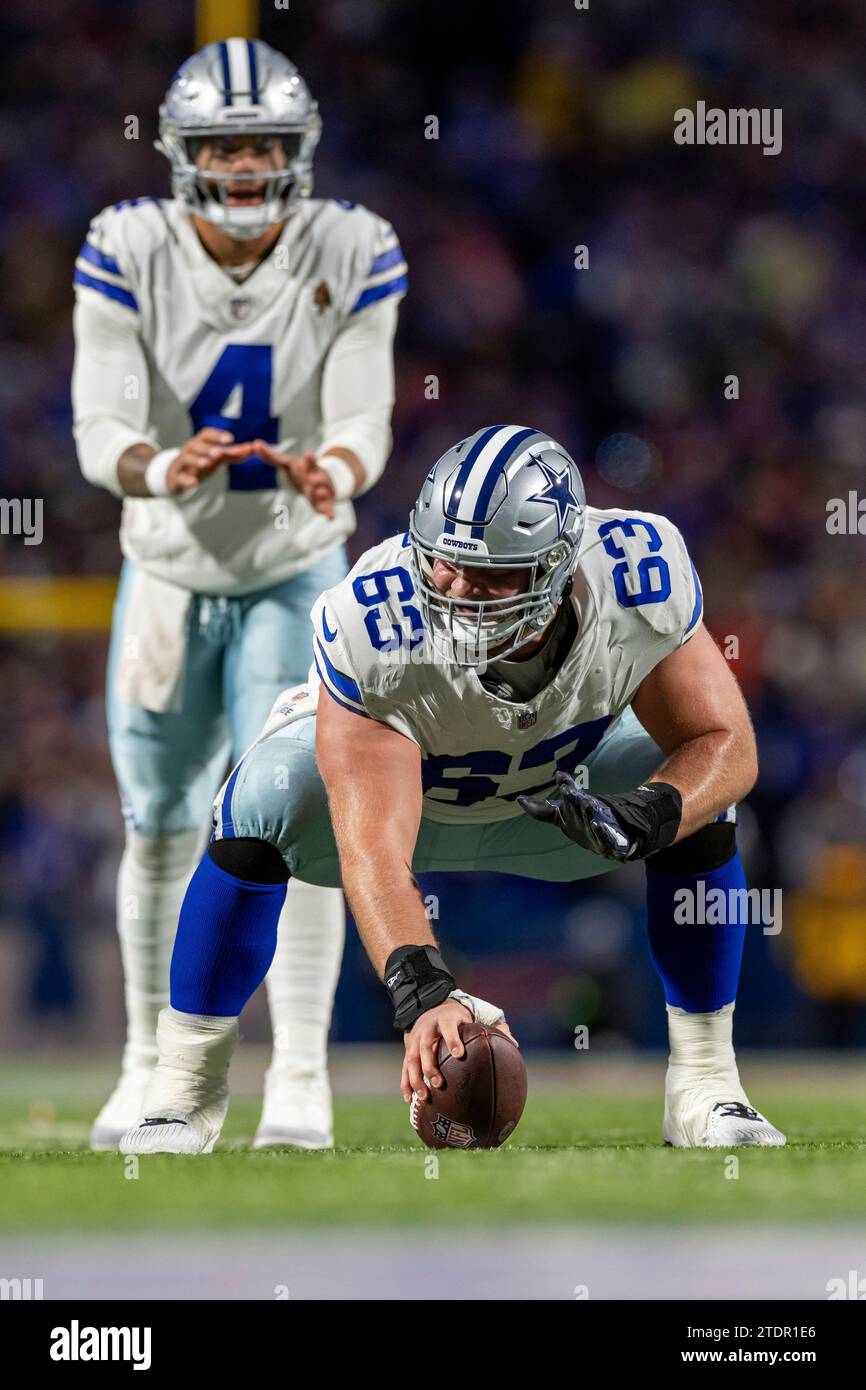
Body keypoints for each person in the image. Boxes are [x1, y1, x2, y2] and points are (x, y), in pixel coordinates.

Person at [119, 425, 785, 1154]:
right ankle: (182, 1091)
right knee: (262, 797)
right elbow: (372, 850)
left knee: (705, 802)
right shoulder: (373, 620)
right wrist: (424, 992)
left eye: (495, 574)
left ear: (560, 568)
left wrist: (654, 812)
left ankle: (706, 1083)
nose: (460, 593)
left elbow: (724, 742)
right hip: (407, 815)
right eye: (443, 564)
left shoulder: (636, 571)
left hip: (560, 804)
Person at [72, 37, 406, 1150]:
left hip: (294, 563)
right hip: (168, 567)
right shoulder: (129, 246)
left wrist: (340, 470)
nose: (250, 164)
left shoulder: (351, 245)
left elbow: (363, 413)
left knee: (298, 820)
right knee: (161, 826)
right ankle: (145, 1064)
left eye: (266, 142)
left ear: (299, 149)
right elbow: (98, 422)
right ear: (184, 154)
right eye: (226, 144)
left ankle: (299, 1074)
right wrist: (158, 465)